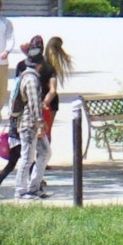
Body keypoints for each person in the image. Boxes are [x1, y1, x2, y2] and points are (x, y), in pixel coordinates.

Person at [10, 41, 49, 199]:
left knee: (45, 152)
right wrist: (40, 124)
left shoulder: (27, 76)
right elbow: (34, 104)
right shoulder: (31, 80)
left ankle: (34, 187)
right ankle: (20, 190)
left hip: (31, 123)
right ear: (39, 64)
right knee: (27, 158)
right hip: (29, 124)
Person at [41, 36, 74, 168]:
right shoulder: (52, 66)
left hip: (41, 99)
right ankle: (44, 159)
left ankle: (41, 159)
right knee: (47, 131)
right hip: (51, 101)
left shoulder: (42, 63)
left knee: (39, 130)